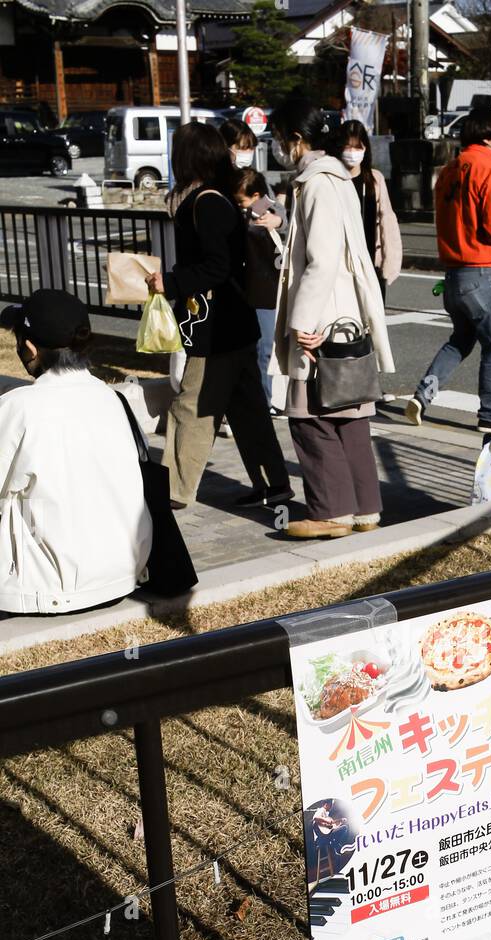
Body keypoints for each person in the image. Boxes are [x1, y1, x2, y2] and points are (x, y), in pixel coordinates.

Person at [144, 120, 293, 510]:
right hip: (235, 319)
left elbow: (216, 266)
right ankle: (274, 485)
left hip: (215, 323)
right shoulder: (222, 193)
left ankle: (174, 491)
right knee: (248, 411)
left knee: (190, 404)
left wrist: (171, 284)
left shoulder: (207, 201)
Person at [270, 97, 394, 540]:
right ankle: (365, 510)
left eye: (279, 137)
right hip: (346, 313)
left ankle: (331, 513)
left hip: (322, 317)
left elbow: (321, 260)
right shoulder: (338, 179)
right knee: (351, 416)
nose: (276, 145)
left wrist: (301, 321)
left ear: (296, 139)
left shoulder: (316, 183)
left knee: (310, 417)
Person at [0, 289, 152, 615]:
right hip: (123, 575)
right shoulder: (115, 400)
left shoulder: (18, 407)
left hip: (48, 588)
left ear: (29, 349)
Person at [406, 112, 491, 433]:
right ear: (490, 137)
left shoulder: (450, 170)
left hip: (454, 274)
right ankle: (490, 415)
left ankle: (423, 395)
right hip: (483, 274)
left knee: (460, 341)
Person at [230, 165, 288, 413]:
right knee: (258, 350)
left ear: (255, 196)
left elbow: (284, 220)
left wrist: (278, 221)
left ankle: (263, 401)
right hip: (254, 289)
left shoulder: (266, 209)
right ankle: (259, 399)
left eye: (242, 200)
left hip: (265, 290)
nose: (239, 204)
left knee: (263, 350)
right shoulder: (249, 211)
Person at [330, 120, 402, 304]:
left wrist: (389, 265)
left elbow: (387, 220)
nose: (352, 152)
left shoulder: (374, 179)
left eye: (357, 146)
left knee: (372, 323)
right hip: (339, 265)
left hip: (370, 263)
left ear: (365, 148)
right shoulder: (331, 179)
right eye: (347, 146)